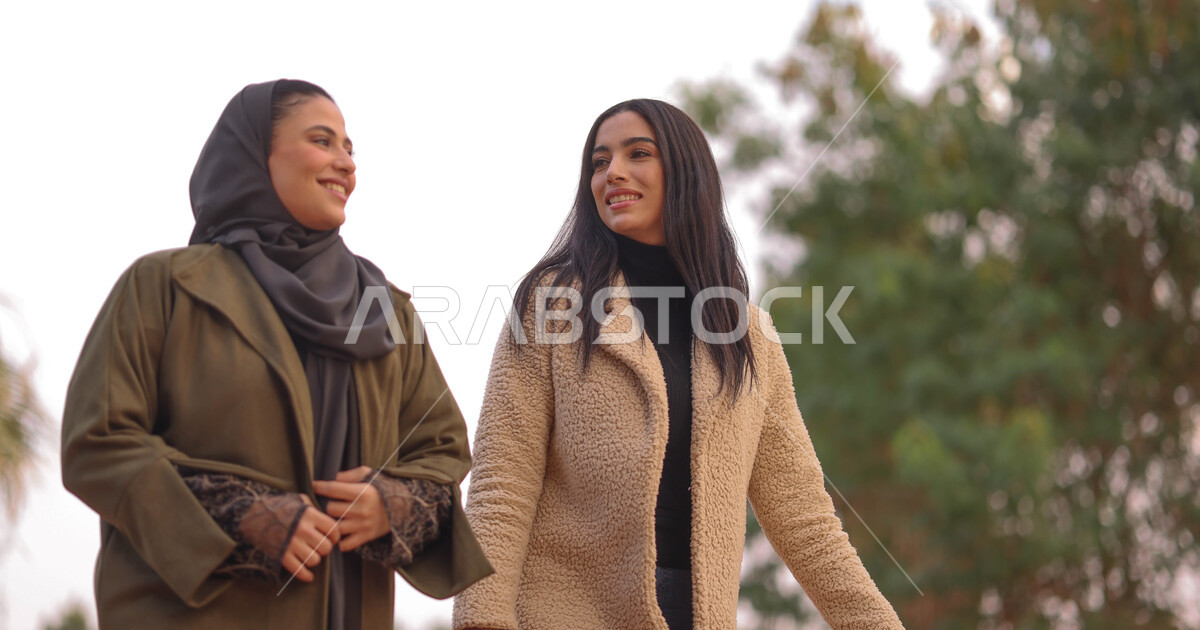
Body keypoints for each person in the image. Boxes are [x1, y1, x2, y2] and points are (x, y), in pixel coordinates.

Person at [451, 99, 903, 629]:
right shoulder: (551, 306)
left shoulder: (751, 340)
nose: (612, 172)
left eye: (637, 153)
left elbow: (805, 521)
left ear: (686, 173)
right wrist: (481, 621)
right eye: (599, 162)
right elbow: (501, 486)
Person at [61, 79, 491, 630]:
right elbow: (97, 443)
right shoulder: (164, 287)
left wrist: (390, 504)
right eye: (322, 141)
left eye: (350, 148)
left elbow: (442, 451)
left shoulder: (386, 311)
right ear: (253, 156)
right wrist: (247, 515)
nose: (345, 164)